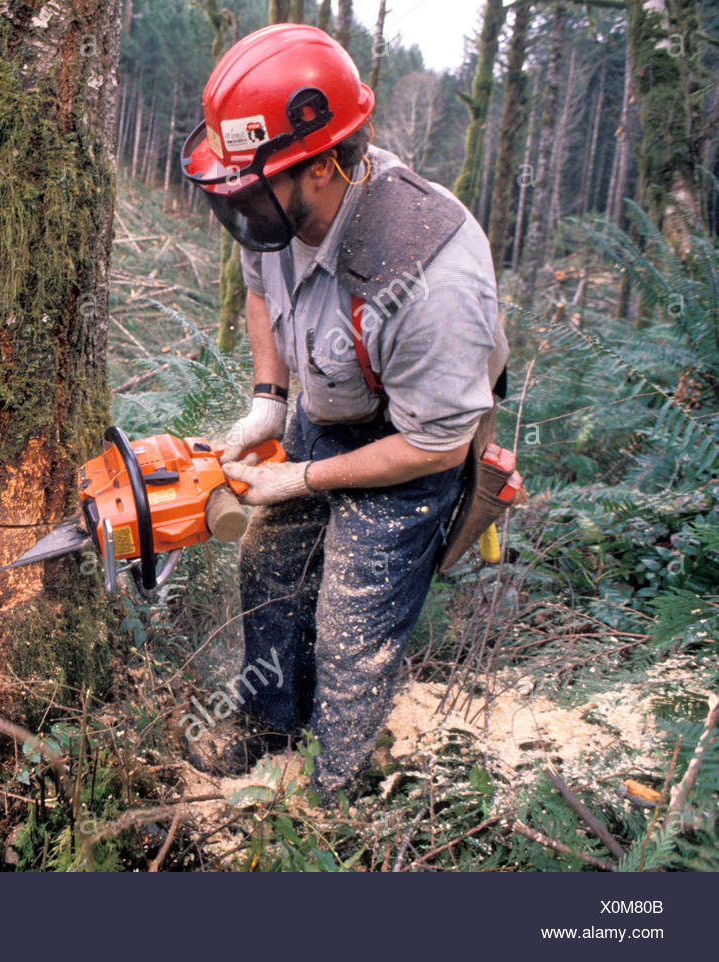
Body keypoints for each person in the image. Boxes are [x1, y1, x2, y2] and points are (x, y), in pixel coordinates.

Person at [180, 24, 509, 801]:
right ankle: (269, 721)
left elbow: (435, 443)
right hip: (326, 407)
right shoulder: (273, 209)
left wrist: (305, 478)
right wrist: (269, 400)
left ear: (323, 164)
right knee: (268, 561)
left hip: (411, 441)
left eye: (255, 192)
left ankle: (335, 787)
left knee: (350, 618)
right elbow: (261, 285)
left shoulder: (432, 274)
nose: (242, 208)